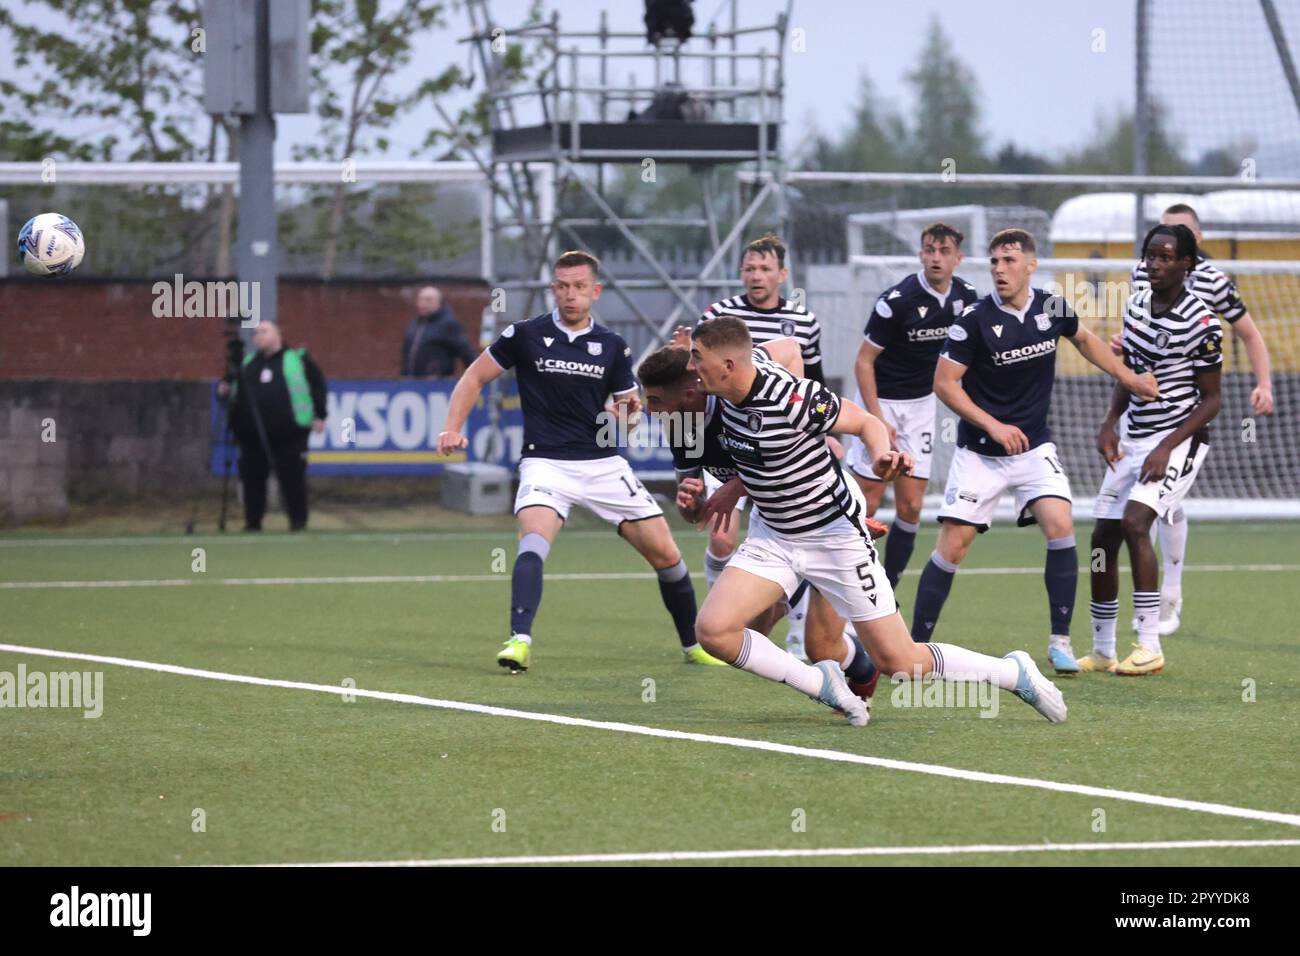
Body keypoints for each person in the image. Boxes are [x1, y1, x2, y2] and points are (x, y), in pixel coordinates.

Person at [686, 316, 1069, 726]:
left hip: (834, 534)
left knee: (901, 662)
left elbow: (866, 422)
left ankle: (1013, 673)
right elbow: (788, 347)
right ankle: (823, 685)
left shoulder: (793, 399)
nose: (692, 368)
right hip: (776, 536)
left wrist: (882, 454)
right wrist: (739, 483)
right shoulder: (738, 373)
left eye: (697, 357)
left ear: (729, 365)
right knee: (715, 631)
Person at [436, 250, 724, 670]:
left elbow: (629, 414)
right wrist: (452, 426)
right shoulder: (524, 335)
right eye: (563, 286)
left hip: (604, 465)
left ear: (595, 292)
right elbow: (474, 377)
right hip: (546, 463)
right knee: (533, 541)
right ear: (553, 288)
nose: (570, 295)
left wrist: (621, 414)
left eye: (580, 287)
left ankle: (693, 645)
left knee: (667, 555)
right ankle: (519, 640)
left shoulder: (612, 346)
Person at [916, 228, 1158, 675]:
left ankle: (1060, 642)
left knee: (1060, 524)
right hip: (981, 452)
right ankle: (912, 647)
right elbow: (943, 384)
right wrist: (991, 424)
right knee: (954, 546)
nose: (999, 269)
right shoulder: (972, 319)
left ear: (1031, 265)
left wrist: (1130, 378)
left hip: (1033, 447)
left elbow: (1085, 340)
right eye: (993, 262)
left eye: (1009, 261)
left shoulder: (1051, 305)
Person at [640, 338, 884, 705]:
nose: (647, 409)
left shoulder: (736, 392)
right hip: (775, 518)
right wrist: (691, 503)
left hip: (820, 505)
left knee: (879, 653)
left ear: (691, 391)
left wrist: (803, 427)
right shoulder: (680, 426)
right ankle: (854, 670)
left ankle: (835, 670)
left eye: (655, 400)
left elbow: (788, 347)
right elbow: (696, 513)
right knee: (755, 633)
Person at [1122, 203, 1274, 636]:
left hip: (1188, 410)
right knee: (1139, 512)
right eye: (1158, 244)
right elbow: (1139, 334)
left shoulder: (1212, 282)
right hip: (1145, 409)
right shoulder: (1142, 276)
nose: (1159, 258)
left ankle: (1167, 597)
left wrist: (1263, 383)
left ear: (1193, 246)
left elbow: (1248, 332)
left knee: (1156, 508)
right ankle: (1139, 616)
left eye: (1178, 238)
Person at [1085, 224, 1223, 676]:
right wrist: (1110, 422)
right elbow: (1130, 370)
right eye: (1151, 256)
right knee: (1101, 537)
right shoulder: (1138, 301)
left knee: (1134, 523)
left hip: (1179, 440)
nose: (1156, 264)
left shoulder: (1202, 322)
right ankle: (1104, 649)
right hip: (1135, 436)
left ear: (1187, 263)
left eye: (1166, 257)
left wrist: (1165, 447)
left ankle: (1149, 644)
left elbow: (1213, 400)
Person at [698, 233, 826, 658]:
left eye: (765, 268)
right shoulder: (720, 314)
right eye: (749, 268)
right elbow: (697, 368)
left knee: (797, 534)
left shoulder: (803, 322)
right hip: (729, 439)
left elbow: (813, 384)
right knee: (721, 540)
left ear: (782, 274)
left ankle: (799, 633)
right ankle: (722, 610)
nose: (756, 275)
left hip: (779, 444)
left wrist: (818, 434)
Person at [847, 221, 980, 590]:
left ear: (958, 258)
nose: (936, 258)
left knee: (911, 508)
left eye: (944, 251)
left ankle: (886, 590)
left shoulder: (967, 298)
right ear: (921, 254)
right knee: (867, 502)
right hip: (881, 402)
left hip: (921, 405)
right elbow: (863, 362)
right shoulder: (897, 301)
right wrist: (875, 417)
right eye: (929, 250)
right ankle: (839, 582)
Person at [218, 320, 327, 532]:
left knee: (292, 479)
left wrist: (319, 414)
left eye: (264, 331)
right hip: (252, 436)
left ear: (278, 334)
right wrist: (224, 392)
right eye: (256, 333)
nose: (259, 336)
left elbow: (318, 385)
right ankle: (253, 522)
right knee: (253, 480)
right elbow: (232, 392)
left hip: (290, 433)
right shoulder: (248, 362)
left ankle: (297, 522)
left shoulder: (297, 358)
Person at [401, 286, 477, 378]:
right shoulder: (415, 324)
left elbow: (467, 352)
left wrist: (477, 378)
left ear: (439, 303)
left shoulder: (448, 324)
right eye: (420, 299)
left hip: (438, 385)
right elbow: (405, 353)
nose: (423, 304)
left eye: (428, 300)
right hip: (412, 384)